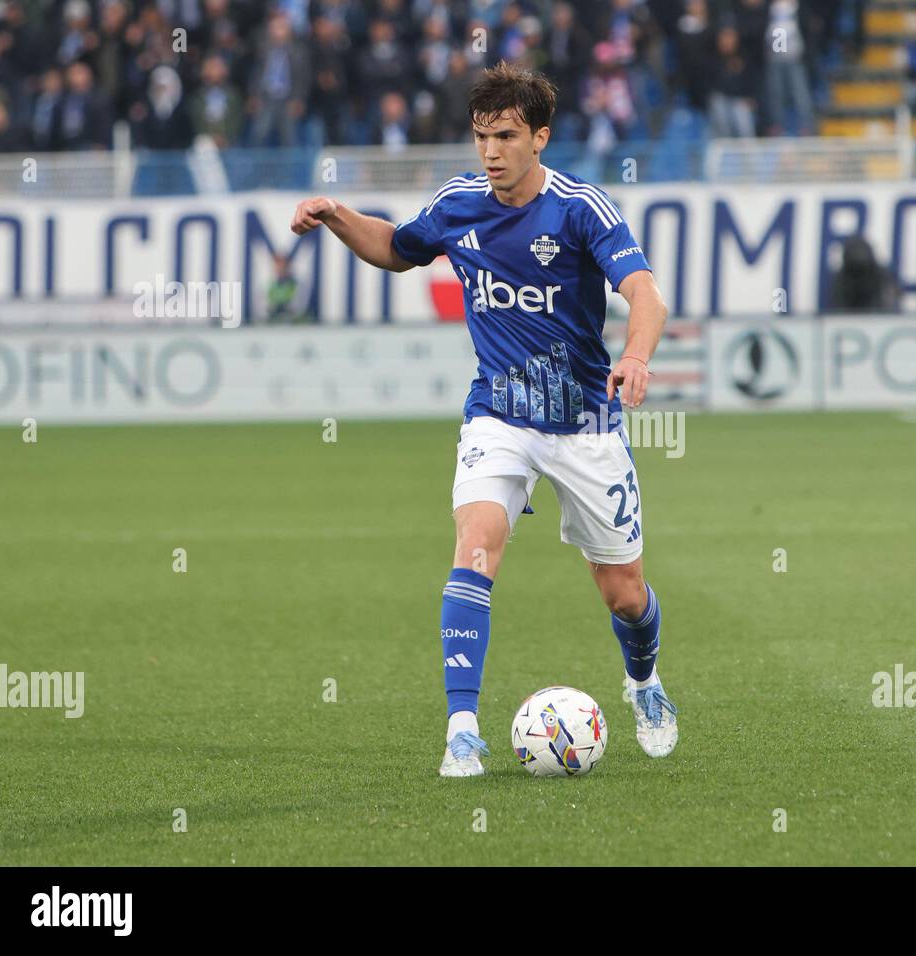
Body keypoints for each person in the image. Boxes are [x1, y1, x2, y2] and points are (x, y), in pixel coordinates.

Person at [290, 62, 677, 777]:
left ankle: (644, 681)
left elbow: (645, 292)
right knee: (475, 547)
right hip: (498, 415)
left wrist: (636, 356)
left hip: (585, 423)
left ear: (540, 137)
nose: (491, 152)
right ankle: (462, 730)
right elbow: (396, 249)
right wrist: (339, 216)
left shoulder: (581, 208)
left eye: (506, 136)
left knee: (624, 594)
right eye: (481, 137)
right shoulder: (458, 204)